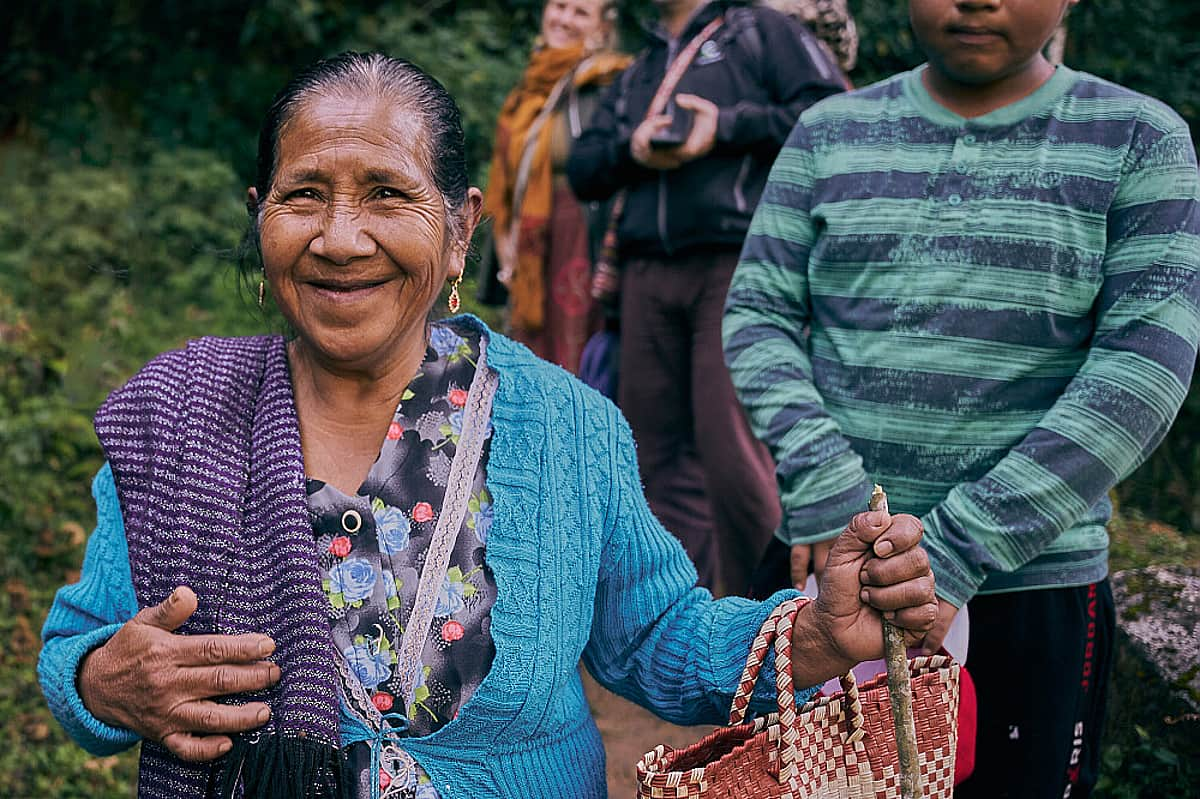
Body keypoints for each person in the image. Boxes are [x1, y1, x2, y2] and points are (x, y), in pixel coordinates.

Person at [38, 51, 937, 799]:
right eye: (304, 195)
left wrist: (818, 632)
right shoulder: (180, 419)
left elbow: (659, 634)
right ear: (259, 216)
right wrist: (103, 682)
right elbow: (79, 645)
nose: (341, 238)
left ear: (461, 226)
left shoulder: (565, 426)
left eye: (387, 194)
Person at [723, 1, 1200, 797]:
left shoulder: (1138, 140)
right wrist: (828, 492)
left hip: (1029, 581)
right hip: (831, 575)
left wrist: (952, 552)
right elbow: (759, 313)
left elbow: (1144, 368)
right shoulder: (827, 132)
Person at [566, 0, 846, 597]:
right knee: (652, 463)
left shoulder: (759, 33)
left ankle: (773, 627)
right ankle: (676, 626)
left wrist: (725, 125)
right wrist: (633, 150)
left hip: (736, 265)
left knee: (733, 458)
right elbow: (583, 165)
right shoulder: (641, 67)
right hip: (644, 276)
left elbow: (831, 114)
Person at [481, 0, 630, 374]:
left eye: (580, 12)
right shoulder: (530, 89)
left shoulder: (609, 84)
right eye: (560, 6)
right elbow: (508, 181)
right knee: (531, 352)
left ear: (603, 26)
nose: (564, 19)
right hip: (532, 243)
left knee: (574, 350)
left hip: (579, 235)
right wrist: (506, 246)